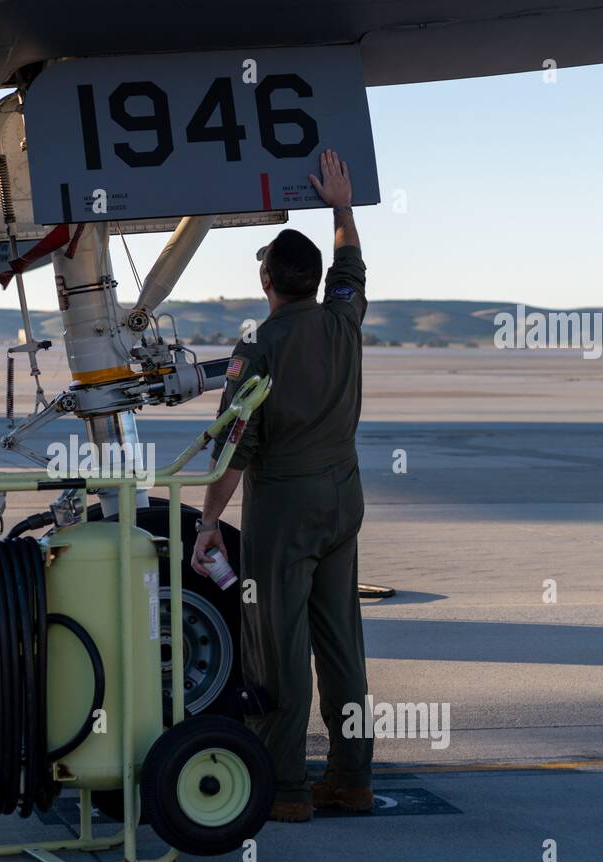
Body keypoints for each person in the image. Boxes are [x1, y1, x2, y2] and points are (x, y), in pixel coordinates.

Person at [192, 149, 372, 823]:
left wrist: (209, 523)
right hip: (343, 500)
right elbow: (351, 266)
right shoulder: (343, 320)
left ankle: (286, 787)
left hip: (284, 510)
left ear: (266, 280)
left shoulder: (257, 350)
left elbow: (234, 449)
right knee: (342, 644)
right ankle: (352, 779)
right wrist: (341, 206)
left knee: (277, 645)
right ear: (314, 282)